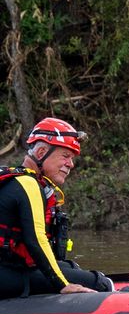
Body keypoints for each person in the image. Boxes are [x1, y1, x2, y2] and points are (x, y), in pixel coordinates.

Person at [0, 118, 111, 297]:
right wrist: (62, 285)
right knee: (100, 284)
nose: (71, 164)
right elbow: (36, 241)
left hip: (11, 267)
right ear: (42, 152)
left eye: (72, 158)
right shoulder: (27, 184)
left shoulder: (20, 181)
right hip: (6, 274)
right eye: (65, 156)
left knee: (71, 268)